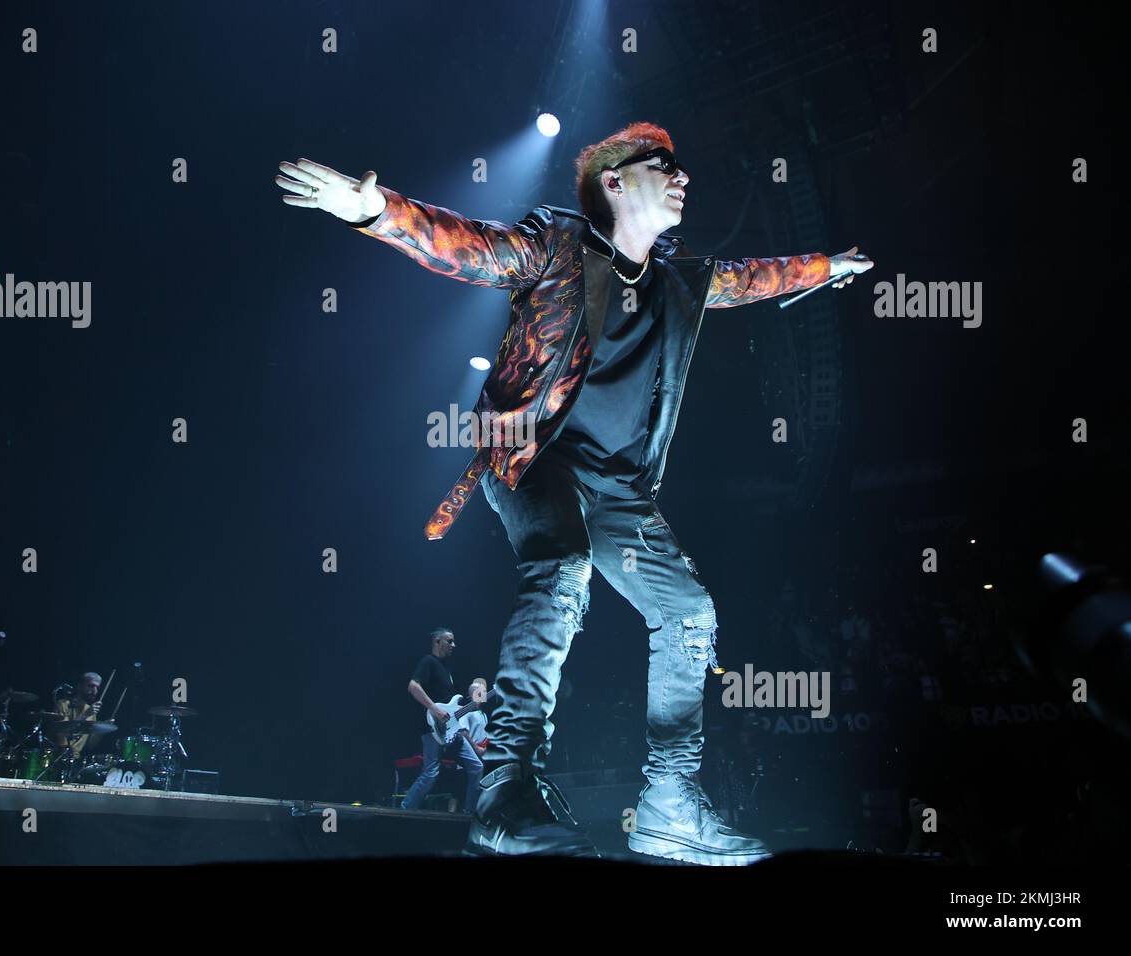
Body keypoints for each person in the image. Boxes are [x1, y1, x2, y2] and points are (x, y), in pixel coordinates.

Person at [277, 121, 873, 862]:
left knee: (688, 611)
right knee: (560, 567)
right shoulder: (557, 243)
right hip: (532, 454)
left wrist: (827, 264)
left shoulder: (680, 276)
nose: (685, 176)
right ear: (616, 182)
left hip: (619, 484)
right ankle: (506, 791)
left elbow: (752, 277)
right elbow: (474, 248)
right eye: (666, 165)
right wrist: (375, 211)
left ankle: (668, 804)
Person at [402, 630, 484, 813]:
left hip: (452, 729)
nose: (454, 645)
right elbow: (413, 687)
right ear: (437, 641)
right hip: (432, 728)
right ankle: (405, 809)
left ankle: (469, 814)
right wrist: (435, 709)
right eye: (450, 641)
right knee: (431, 773)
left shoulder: (447, 669)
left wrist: (473, 704)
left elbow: (452, 704)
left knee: (476, 767)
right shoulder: (428, 662)